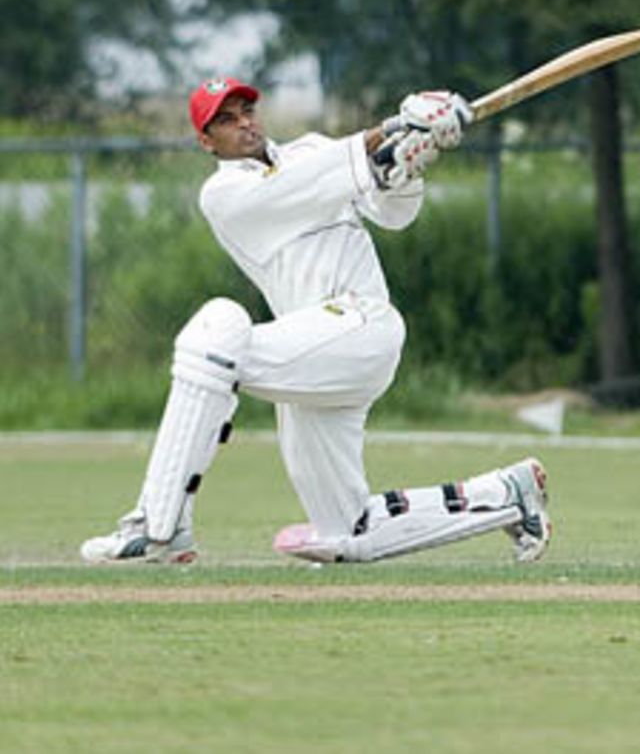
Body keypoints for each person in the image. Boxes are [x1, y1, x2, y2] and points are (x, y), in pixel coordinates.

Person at [81, 78, 551, 565]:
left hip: (361, 323)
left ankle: (157, 526)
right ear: (206, 141)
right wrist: (392, 129)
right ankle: (506, 495)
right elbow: (305, 185)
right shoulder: (223, 192)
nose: (243, 122)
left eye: (246, 111)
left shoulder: (311, 150)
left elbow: (392, 213)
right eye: (225, 118)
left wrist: (409, 161)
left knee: (214, 333)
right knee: (347, 532)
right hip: (312, 353)